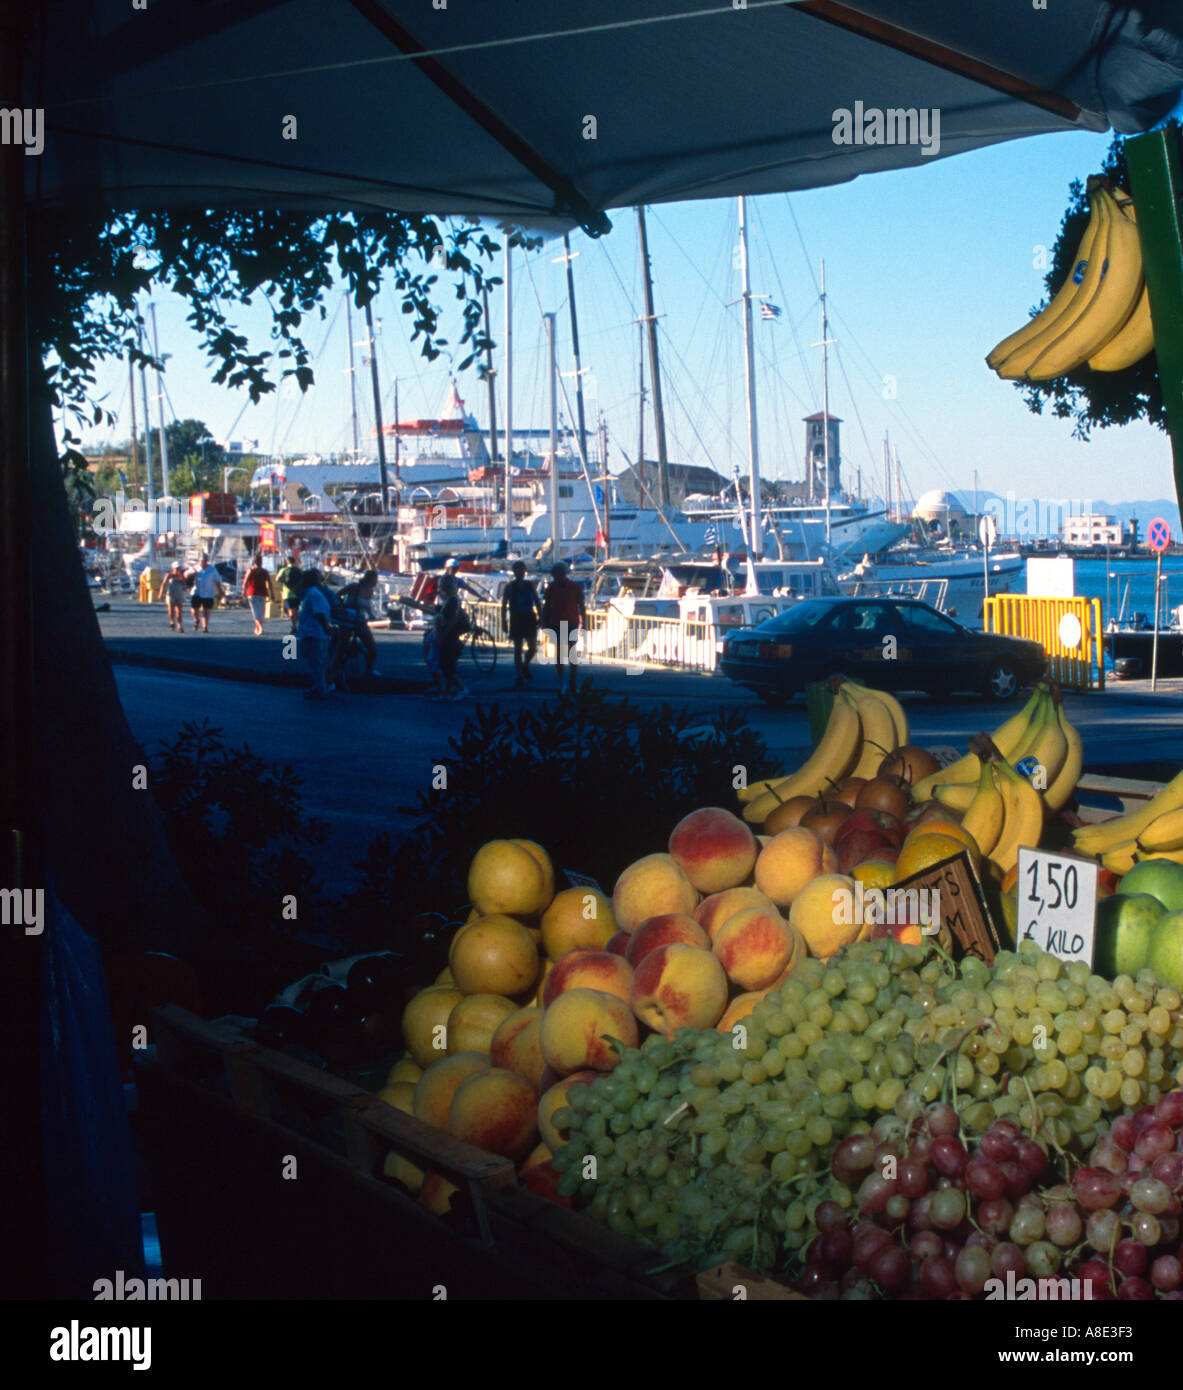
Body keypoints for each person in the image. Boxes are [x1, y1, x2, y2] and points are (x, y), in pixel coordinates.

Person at [541, 562, 587, 696]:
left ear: (563, 573)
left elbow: (581, 605)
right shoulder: (551, 588)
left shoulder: (575, 587)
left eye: (557, 573)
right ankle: (562, 681)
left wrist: (584, 621)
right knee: (559, 654)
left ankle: (573, 681)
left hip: (571, 622)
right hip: (555, 623)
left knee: (572, 652)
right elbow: (546, 606)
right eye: (554, 574)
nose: (555, 576)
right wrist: (544, 622)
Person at [501, 561, 541, 689]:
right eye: (518, 571)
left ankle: (524, 666)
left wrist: (541, 616)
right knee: (518, 648)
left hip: (529, 617)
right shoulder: (509, 587)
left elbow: (537, 601)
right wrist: (504, 621)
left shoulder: (529, 585)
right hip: (516, 618)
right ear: (515, 572)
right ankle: (519, 674)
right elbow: (503, 605)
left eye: (523, 571)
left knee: (533, 647)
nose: (521, 573)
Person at [335, 570, 381, 677]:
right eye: (375, 579)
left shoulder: (370, 591)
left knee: (372, 648)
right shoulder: (354, 587)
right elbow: (338, 595)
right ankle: (335, 670)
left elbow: (367, 606)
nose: (376, 581)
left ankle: (369, 669)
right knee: (341, 647)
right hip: (348, 620)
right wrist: (342, 607)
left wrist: (371, 615)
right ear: (370, 579)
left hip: (360, 621)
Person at [296, 568, 333, 699]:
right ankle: (320, 685)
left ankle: (320, 687)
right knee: (316, 661)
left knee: (316, 662)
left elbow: (319, 613)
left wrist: (326, 627)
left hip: (314, 632)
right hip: (312, 632)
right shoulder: (312, 593)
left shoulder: (313, 594)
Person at [189, 555, 225, 632]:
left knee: (206, 610)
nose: (202, 563)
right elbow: (186, 574)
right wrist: (190, 574)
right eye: (201, 561)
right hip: (197, 592)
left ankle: (205, 626)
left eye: (204, 561)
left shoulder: (212, 570)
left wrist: (220, 591)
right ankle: (196, 619)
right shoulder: (196, 568)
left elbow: (217, 581)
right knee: (194, 609)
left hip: (208, 593)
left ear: (207, 561)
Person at [242, 552, 271, 636]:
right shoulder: (265, 572)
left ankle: (260, 628)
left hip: (253, 593)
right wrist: (272, 593)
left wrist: (243, 592)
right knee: (261, 612)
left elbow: (245, 582)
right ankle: (257, 628)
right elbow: (269, 583)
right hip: (263, 593)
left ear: (254, 562)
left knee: (256, 612)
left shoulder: (251, 571)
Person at [156, 561, 188, 632]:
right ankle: (172, 621)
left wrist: (182, 579)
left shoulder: (181, 575)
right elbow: (163, 584)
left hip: (179, 594)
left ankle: (179, 625)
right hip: (170, 594)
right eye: (176, 568)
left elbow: (185, 585)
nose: (177, 569)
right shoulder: (169, 575)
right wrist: (161, 593)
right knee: (171, 609)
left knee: (179, 611)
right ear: (173, 568)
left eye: (179, 568)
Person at [275, 554, 303, 634]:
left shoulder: (284, 570)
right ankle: (297, 625)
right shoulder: (298, 570)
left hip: (287, 593)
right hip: (297, 593)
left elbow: (277, 579)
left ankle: (294, 626)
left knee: (290, 610)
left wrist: (284, 581)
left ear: (287, 562)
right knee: (296, 609)